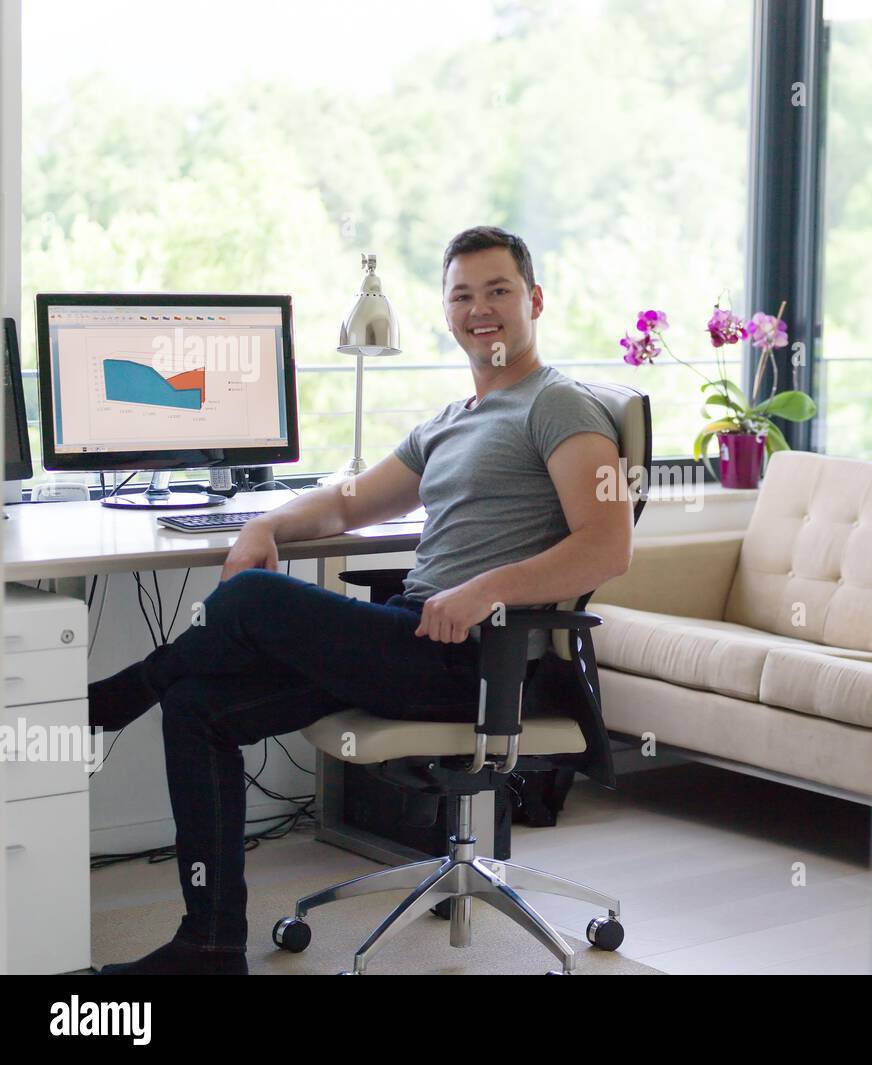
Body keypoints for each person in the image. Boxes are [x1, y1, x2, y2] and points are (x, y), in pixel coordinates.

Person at [90, 226, 633, 974]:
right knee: (198, 708)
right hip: (408, 636)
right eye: (463, 295)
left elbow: (606, 546)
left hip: (474, 656)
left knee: (250, 599)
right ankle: (209, 945)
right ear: (447, 312)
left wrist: (485, 589)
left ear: (534, 300)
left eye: (498, 291)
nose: (481, 309)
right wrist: (266, 521)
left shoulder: (559, 405)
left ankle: (119, 696)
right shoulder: (451, 420)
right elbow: (347, 504)